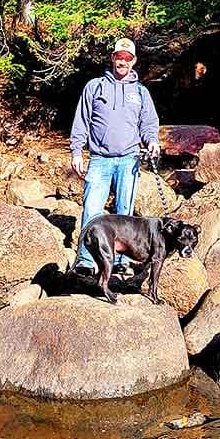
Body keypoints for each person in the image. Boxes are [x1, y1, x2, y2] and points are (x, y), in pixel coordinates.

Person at [69, 37, 160, 276]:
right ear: (113, 58)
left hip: (129, 159)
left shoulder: (140, 92)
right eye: (119, 57)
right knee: (92, 211)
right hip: (99, 159)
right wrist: (77, 151)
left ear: (134, 61)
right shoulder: (95, 86)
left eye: (127, 58)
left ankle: (120, 260)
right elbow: (81, 121)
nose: (123, 61)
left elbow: (148, 124)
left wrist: (152, 141)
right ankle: (86, 261)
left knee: (125, 215)